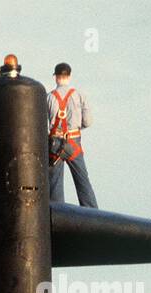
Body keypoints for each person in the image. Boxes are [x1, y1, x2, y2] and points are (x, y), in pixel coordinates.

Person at [48, 62, 97, 208]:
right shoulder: (79, 95)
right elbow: (88, 122)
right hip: (74, 142)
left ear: (56, 77)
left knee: (55, 184)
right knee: (83, 182)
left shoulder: (49, 97)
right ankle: (92, 214)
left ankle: (57, 216)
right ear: (69, 77)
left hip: (55, 144)